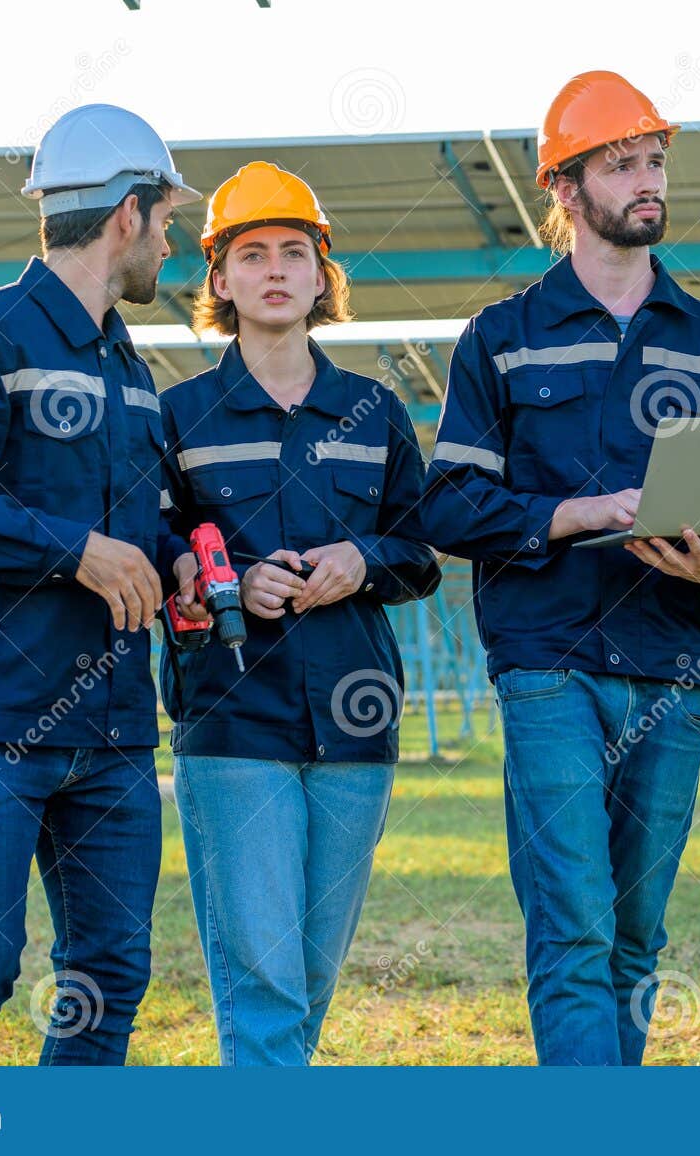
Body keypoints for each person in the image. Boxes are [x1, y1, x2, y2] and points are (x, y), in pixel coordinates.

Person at [417, 71, 700, 1065]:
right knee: (574, 928)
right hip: (548, 664)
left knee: (634, 938)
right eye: (621, 165)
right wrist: (572, 514)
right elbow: (447, 504)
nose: (647, 179)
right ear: (565, 190)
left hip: (672, 665)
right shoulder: (500, 339)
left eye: (654, 160)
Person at [0, 103, 198, 1065]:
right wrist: (78, 552)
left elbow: (135, 522)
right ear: (129, 213)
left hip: (111, 725)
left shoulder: (131, 370)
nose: (171, 245)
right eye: (168, 221)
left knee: (110, 972)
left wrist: (174, 558)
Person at [159, 161, 441, 1065]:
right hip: (233, 718)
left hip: (356, 720)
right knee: (265, 978)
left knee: (311, 974)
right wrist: (229, 582)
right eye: (251, 254)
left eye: (294, 251)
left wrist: (363, 562)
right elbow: (155, 553)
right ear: (220, 278)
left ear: (323, 277)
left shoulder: (374, 412)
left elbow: (420, 552)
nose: (274, 269)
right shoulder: (177, 418)